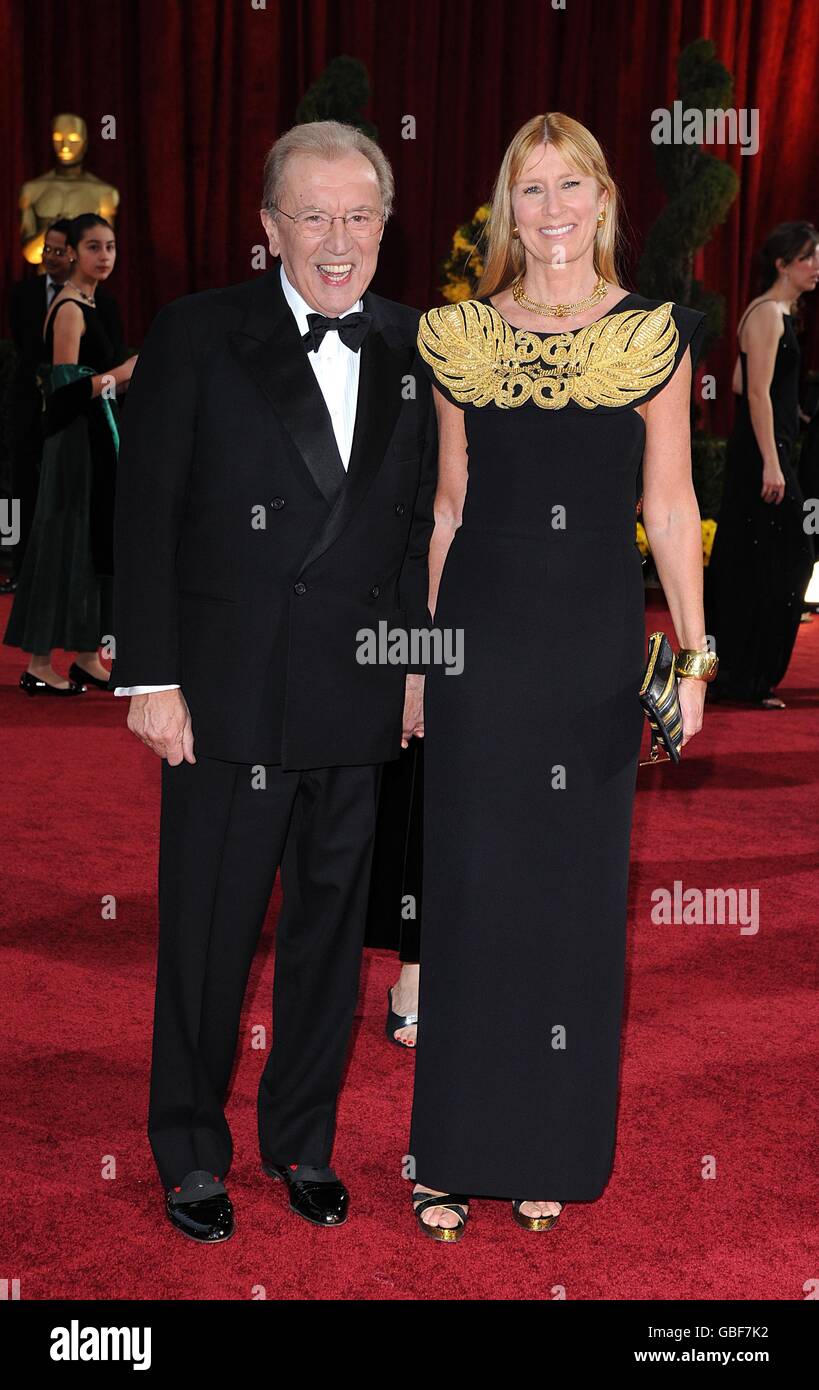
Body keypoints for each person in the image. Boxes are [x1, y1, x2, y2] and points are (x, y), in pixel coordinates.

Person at [109, 119, 436, 1243]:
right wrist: (149, 677)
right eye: (313, 214)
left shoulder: (418, 343)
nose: (337, 239)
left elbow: (417, 538)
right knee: (206, 934)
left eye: (359, 215)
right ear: (269, 227)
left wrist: (412, 668)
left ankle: (301, 1138)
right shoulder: (199, 333)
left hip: (356, 697)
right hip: (224, 697)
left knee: (330, 943)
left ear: (386, 224)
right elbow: (144, 517)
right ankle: (191, 1146)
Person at [407, 112, 712, 1242]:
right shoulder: (454, 335)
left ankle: (546, 1146)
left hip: (590, 644)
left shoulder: (653, 336)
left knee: (571, 903)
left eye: (569, 186)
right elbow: (446, 509)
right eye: (529, 190)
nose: (551, 210)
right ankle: (450, 1148)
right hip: (481, 642)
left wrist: (695, 652)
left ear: (604, 199)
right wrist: (425, 665)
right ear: (505, 207)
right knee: (473, 890)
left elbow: (670, 505)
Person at [4, 214, 136, 692]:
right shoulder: (70, 310)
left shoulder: (94, 303)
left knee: (94, 541)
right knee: (64, 541)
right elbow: (63, 392)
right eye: (94, 247)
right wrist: (123, 373)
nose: (104, 256)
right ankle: (39, 665)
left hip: (96, 439)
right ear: (74, 253)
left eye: (111, 247)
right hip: (73, 446)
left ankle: (86, 656)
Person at [705, 223, 819, 706]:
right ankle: (748, 676)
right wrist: (774, 462)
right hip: (761, 456)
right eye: (808, 258)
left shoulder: (772, 313)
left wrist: (790, 407)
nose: (816, 267)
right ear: (782, 264)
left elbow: (737, 381)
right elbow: (751, 391)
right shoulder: (769, 314)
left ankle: (741, 677)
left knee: (754, 559)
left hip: (761, 450)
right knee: (789, 556)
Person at [3, 219, 72, 593]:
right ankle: (18, 568)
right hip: (26, 404)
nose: (51, 257)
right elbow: (23, 344)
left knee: (66, 490)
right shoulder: (23, 292)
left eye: (59, 251)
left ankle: (63, 575)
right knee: (19, 492)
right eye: (47, 249)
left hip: (68, 410)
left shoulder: (89, 298)